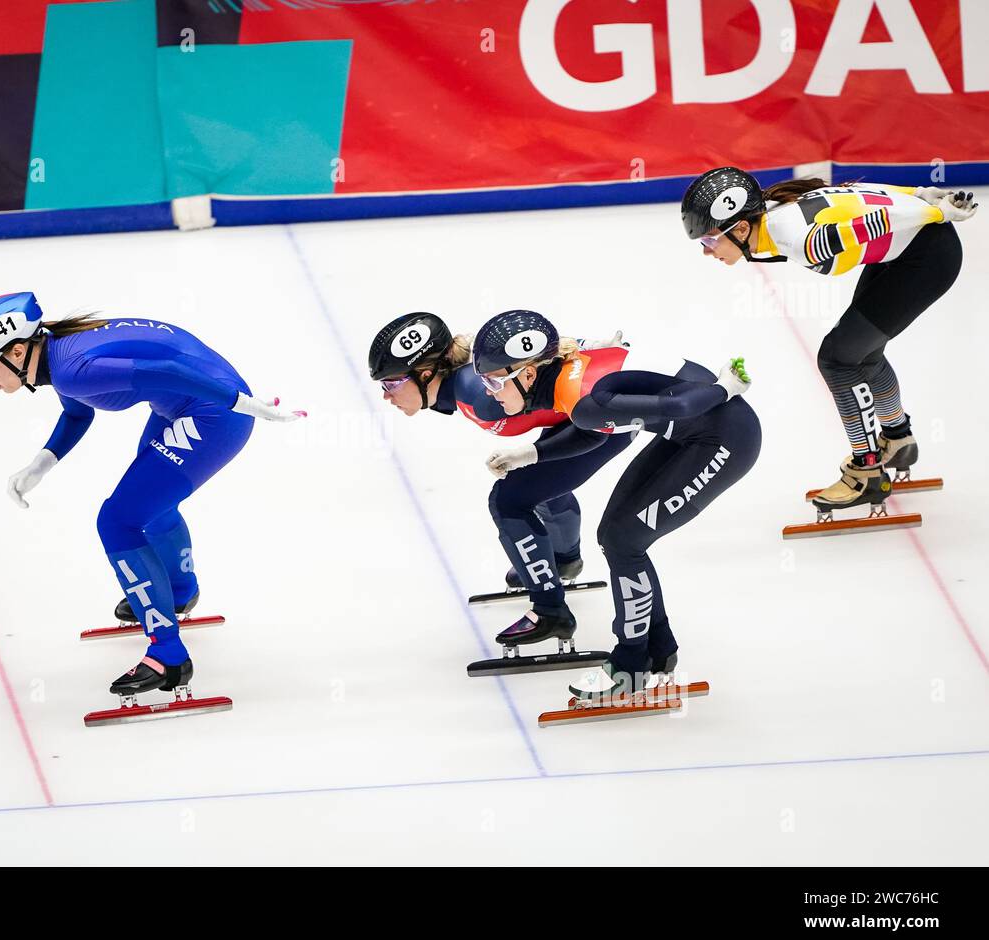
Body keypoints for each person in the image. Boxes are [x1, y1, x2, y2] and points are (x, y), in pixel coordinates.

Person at [0, 292, 304, 700]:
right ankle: (178, 591)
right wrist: (41, 464)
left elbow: (170, 369)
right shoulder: (56, 357)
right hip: (188, 403)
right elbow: (77, 412)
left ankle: (168, 657)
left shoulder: (73, 370)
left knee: (118, 521)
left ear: (17, 351)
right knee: (149, 507)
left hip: (215, 412)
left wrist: (243, 404)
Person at [472, 309, 761, 700]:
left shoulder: (582, 397)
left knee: (624, 540)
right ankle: (658, 651)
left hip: (726, 439)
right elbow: (595, 429)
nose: (488, 391)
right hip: (691, 436)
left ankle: (631, 666)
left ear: (526, 374)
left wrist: (726, 386)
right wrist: (532, 454)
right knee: (616, 536)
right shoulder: (570, 377)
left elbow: (679, 407)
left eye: (492, 380)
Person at [682, 166, 975, 513]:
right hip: (906, 251)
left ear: (742, 228)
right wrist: (920, 192)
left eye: (709, 240)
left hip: (927, 259)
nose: (706, 251)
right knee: (861, 353)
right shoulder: (773, 206)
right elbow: (856, 195)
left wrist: (934, 208)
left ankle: (866, 473)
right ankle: (897, 439)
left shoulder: (798, 239)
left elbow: (871, 223)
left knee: (837, 359)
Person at [369, 312, 633, 652]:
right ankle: (564, 559)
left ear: (424, 374)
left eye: (390, 383)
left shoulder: (477, 394)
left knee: (508, 499)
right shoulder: (466, 390)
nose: (386, 396)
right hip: (591, 417)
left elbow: (542, 360)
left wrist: (594, 351)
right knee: (536, 485)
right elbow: (532, 354)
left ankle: (551, 611)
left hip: (604, 425)